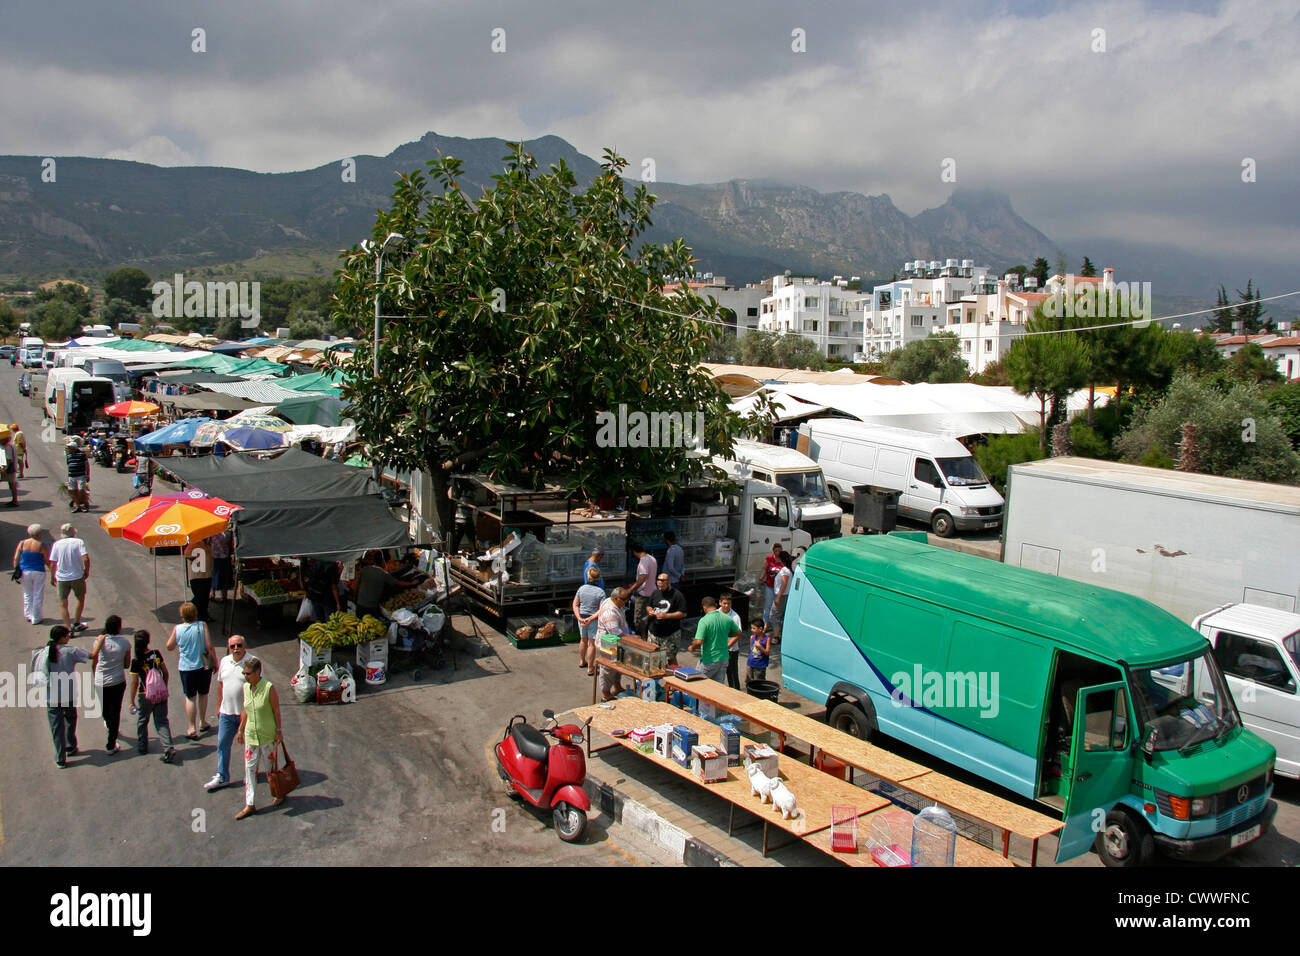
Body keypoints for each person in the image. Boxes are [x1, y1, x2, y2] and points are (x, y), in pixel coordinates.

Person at [235, 656, 284, 819]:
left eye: (248, 673)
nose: (245, 676)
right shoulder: (246, 688)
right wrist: (241, 730)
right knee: (250, 770)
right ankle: (250, 804)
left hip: (267, 735)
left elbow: (276, 710)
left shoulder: (269, 688)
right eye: (244, 673)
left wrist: (279, 731)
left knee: (270, 768)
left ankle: (278, 792)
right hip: (251, 735)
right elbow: (246, 711)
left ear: (258, 672)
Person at [166, 602, 218, 739]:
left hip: (186, 668)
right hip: (203, 666)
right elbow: (209, 646)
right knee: (203, 694)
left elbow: (169, 646)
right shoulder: (202, 626)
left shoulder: (177, 629)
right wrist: (215, 661)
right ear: (195, 613)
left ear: (182, 615)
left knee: (190, 698)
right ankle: (202, 721)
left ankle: (191, 727)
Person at [42, 625, 90, 767]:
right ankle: (71, 745)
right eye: (67, 635)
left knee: (57, 727)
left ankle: (60, 757)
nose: (69, 636)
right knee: (70, 719)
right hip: (68, 695)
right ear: (62, 638)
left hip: (52, 696)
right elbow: (91, 655)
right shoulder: (71, 651)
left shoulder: (44, 652)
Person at [206, 634, 248, 792]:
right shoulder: (224, 661)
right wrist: (218, 705)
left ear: (245, 646)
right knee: (222, 744)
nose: (236, 648)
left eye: (239, 645)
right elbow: (220, 685)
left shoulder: (252, 663)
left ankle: (250, 773)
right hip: (226, 712)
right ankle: (222, 776)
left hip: (245, 713)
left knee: (249, 746)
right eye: (232, 646)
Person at [128, 629, 175, 762]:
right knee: (161, 721)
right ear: (148, 641)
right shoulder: (156, 654)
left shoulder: (136, 661)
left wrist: (131, 701)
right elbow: (165, 672)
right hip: (160, 694)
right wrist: (163, 688)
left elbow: (134, 682)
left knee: (143, 720)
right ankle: (168, 748)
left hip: (145, 695)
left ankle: (142, 747)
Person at [89, 614, 131, 754]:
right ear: (119, 628)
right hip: (118, 681)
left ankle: (109, 726)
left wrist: (96, 676)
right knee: (115, 711)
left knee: (105, 709)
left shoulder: (98, 642)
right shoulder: (125, 643)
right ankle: (111, 744)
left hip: (101, 681)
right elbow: (126, 664)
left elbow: (94, 663)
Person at [688, 596, 740, 685]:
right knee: (717, 688)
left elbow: (698, 641)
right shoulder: (726, 618)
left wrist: (692, 647)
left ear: (704, 607)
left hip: (710, 659)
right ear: (716, 605)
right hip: (723, 659)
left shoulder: (704, 620)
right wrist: (725, 634)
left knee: (697, 684)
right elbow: (738, 633)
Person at [48, 523, 89, 633]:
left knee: (63, 603)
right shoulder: (79, 542)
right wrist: (86, 571)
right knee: (80, 599)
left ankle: (68, 628)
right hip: (77, 576)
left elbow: (53, 563)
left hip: (62, 577)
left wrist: (52, 577)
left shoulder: (57, 544)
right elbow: (85, 558)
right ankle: (76, 622)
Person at [354, 551, 417, 618]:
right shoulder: (383, 574)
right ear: (382, 560)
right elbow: (399, 583)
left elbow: (356, 585)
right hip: (371, 606)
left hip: (360, 604)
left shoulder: (364, 569)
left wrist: (355, 597)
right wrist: (411, 583)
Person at [571, 565, 606, 675]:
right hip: (593, 619)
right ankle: (590, 668)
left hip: (582, 617)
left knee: (583, 640)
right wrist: (591, 618)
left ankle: (582, 661)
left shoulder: (581, 589)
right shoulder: (601, 592)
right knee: (592, 643)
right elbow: (601, 610)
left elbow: (575, 604)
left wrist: (579, 617)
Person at [647, 572, 687, 667]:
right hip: (654, 633)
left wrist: (667, 616)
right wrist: (650, 611)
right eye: (658, 585)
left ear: (668, 582)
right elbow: (648, 606)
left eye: (662, 585)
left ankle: (674, 678)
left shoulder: (677, 595)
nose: (660, 588)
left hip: (670, 634)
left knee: (670, 659)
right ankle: (655, 680)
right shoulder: (655, 593)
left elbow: (683, 613)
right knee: (653, 658)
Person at [13, 522, 49, 625]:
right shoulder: (41, 545)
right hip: (38, 571)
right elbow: (46, 560)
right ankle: (36, 617)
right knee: (37, 593)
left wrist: (16, 570)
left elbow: (16, 558)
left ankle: (28, 614)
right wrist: (52, 569)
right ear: (38, 534)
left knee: (27, 593)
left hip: (25, 571)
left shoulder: (22, 543)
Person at [629, 541, 657, 639]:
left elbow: (643, 577)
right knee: (649, 617)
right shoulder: (652, 558)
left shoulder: (644, 561)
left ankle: (643, 638)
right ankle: (647, 637)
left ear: (634, 552)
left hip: (644, 595)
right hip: (652, 593)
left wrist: (631, 589)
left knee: (639, 619)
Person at [768, 552, 795, 653]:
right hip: (785, 595)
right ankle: (780, 634)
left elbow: (784, 584)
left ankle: (776, 636)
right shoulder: (788, 570)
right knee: (780, 616)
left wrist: (778, 597)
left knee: (773, 615)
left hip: (782, 595)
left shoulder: (784, 571)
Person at [185, 537, 213, 622]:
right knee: (199, 597)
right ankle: (187, 611)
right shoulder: (195, 543)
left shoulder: (207, 544)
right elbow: (187, 554)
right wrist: (193, 557)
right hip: (198, 576)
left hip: (207, 575)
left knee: (204, 598)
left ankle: (203, 615)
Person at [719, 593, 743, 690]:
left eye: (728, 603)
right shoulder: (715, 614)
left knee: (732, 675)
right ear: (720, 603)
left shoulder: (735, 617)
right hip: (718, 650)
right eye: (724, 603)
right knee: (718, 674)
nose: (726, 606)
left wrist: (727, 646)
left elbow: (738, 634)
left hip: (731, 651)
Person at [65, 436, 90, 512]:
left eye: (69, 448)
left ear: (74, 448)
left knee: (81, 490)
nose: (68, 449)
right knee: (72, 491)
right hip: (72, 476)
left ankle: (84, 502)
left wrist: (87, 474)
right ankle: (78, 506)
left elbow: (86, 464)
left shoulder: (81, 454)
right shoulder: (68, 456)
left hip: (81, 475)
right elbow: (69, 465)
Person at [762, 543, 786, 623]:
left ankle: (775, 622)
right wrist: (761, 577)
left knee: (777, 606)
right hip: (770, 585)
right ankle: (765, 622)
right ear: (773, 551)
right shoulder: (769, 558)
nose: (777, 552)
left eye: (779, 551)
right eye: (776, 551)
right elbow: (765, 569)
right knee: (768, 604)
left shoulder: (784, 560)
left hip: (779, 587)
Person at [209, 529, 233, 604]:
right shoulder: (227, 533)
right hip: (225, 557)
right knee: (224, 577)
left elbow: (208, 543)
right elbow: (230, 544)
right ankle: (224, 596)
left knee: (213, 575)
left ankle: (212, 594)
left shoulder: (211, 532)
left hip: (214, 557)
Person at [746, 617, 771, 684]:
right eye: (751, 628)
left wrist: (760, 647)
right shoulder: (752, 637)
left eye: (754, 628)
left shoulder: (767, 639)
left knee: (758, 683)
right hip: (750, 663)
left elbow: (767, 652)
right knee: (749, 681)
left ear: (760, 629)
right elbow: (751, 649)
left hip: (760, 665)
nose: (752, 630)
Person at [0, 427, 18, 507]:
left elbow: (9, 460)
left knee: (12, 484)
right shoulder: (10, 446)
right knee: (12, 484)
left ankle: (15, 501)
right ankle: (15, 500)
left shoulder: (7, 448)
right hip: (9, 469)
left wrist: (3, 470)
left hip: (7, 470)